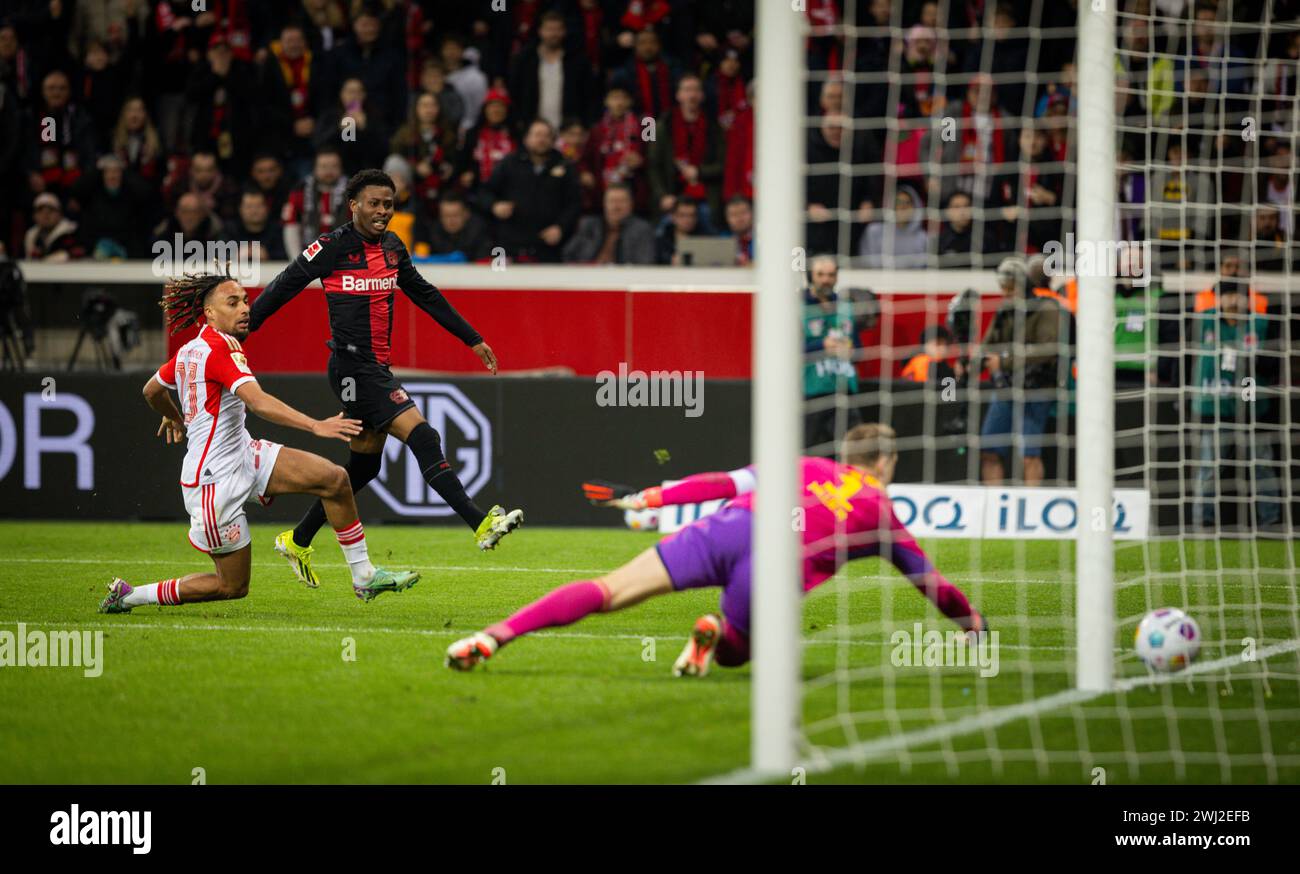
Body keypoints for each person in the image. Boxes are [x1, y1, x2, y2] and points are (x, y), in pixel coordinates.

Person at [447, 424, 987, 675]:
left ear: (844, 453)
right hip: (772, 564)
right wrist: (971, 625)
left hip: (727, 528)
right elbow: (929, 583)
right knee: (740, 653)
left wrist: (656, 494)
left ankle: (495, 636)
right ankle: (715, 634)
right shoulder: (882, 513)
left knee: (610, 589)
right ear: (886, 465)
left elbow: (725, 483)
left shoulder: (808, 465)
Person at [249, 168, 523, 586]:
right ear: (353, 205)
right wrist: (243, 328)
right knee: (424, 436)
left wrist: (472, 338)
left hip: (375, 368)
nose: (382, 212)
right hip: (352, 368)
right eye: (374, 204)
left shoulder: (394, 247)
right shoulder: (330, 247)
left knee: (362, 470)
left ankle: (297, 539)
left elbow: (424, 293)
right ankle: (480, 523)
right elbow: (284, 285)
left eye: (388, 205)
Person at [99, 271, 419, 614]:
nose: (244, 309)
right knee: (231, 586)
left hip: (243, 454)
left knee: (336, 480)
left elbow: (152, 390)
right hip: (214, 481)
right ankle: (130, 595)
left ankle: (365, 576)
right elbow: (259, 402)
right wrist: (315, 425)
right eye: (232, 302)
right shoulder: (219, 351)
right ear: (208, 312)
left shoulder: (192, 349)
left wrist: (173, 415)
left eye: (246, 301)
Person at [974, 256, 1069, 486]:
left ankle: (1032, 506)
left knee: (1029, 455)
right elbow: (988, 346)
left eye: (1010, 288)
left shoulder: (1047, 308)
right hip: (1006, 387)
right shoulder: (1004, 311)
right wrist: (973, 363)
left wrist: (1004, 361)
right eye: (1003, 289)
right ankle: (995, 506)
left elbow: (1047, 349)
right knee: (989, 451)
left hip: (1037, 388)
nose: (1006, 294)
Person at [802, 254, 861, 454]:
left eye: (831, 275)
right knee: (808, 452)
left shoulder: (846, 307)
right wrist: (821, 345)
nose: (826, 279)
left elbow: (859, 348)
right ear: (810, 276)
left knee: (852, 451)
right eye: (820, 274)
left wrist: (852, 350)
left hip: (844, 390)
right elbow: (786, 349)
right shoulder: (797, 306)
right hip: (811, 391)